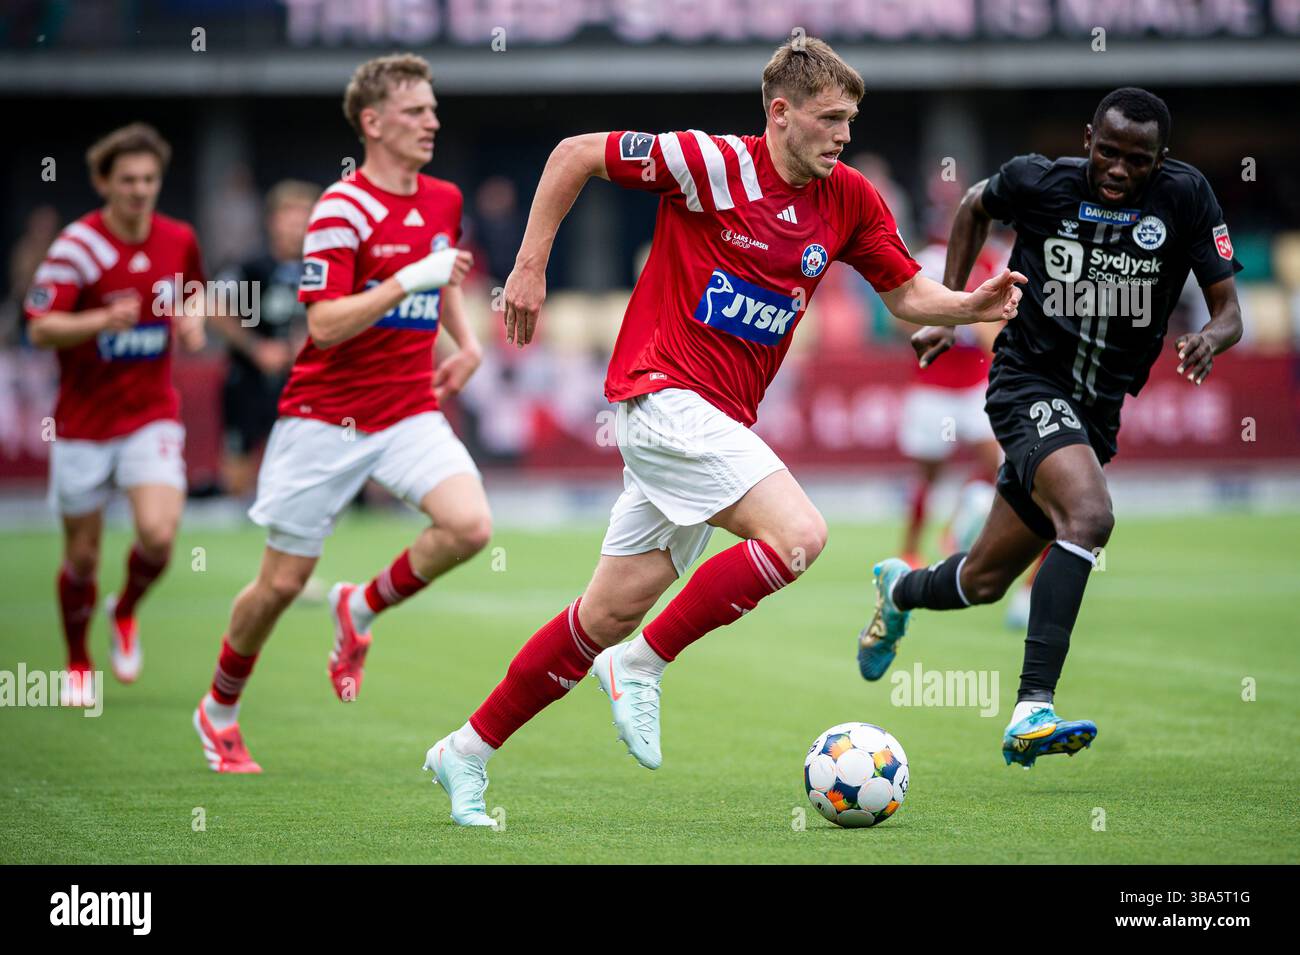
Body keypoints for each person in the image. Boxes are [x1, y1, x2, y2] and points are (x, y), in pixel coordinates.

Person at [424, 37, 1023, 827]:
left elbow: (909, 292)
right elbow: (575, 153)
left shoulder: (846, 198)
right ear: (781, 114)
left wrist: (972, 304)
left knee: (602, 613)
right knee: (799, 534)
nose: (844, 135)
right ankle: (640, 665)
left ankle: (466, 750)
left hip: (711, 420)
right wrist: (530, 264)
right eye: (830, 118)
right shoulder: (709, 164)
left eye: (851, 119)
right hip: (659, 393)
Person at [858, 88, 1244, 768]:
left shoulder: (1186, 198)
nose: (1119, 170)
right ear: (1088, 137)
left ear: (1163, 159)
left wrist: (1211, 337)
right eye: (1108, 152)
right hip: (1026, 382)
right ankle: (1034, 705)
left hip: (1096, 411)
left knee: (981, 581)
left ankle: (899, 589)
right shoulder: (1040, 180)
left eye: (1137, 160)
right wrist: (949, 312)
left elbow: (1230, 310)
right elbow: (976, 203)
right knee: (1090, 515)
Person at [193, 53, 484, 773]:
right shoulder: (340, 209)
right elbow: (323, 325)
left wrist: (468, 340)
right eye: (416, 111)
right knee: (281, 584)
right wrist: (400, 283)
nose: (432, 121)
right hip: (326, 419)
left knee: (470, 526)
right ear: (373, 122)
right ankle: (219, 707)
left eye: (433, 108)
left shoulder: (442, 197)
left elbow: (439, 270)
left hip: (410, 409)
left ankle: (359, 604)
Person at [25, 123, 207, 706]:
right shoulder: (77, 248)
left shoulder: (178, 238)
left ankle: (124, 610)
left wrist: (194, 318)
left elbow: (195, 291)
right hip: (82, 423)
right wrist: (99, 321)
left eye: (150, 179)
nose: (140, 190)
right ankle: (78, 660)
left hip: (151, 414)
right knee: (81, 556)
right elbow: (40, 327)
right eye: (127, 179)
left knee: (158, 536)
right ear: (104, 182)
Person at [210, 180, 319, 498]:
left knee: (305, 463)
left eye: (304, 217)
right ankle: (236, 522)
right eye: (290, 217)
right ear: (272, 220)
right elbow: (214, 307)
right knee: (240, 457)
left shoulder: (322, 266)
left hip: (304, 380)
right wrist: (256, 347)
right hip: (250, 378)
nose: (297, 226)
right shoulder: (250, 266)